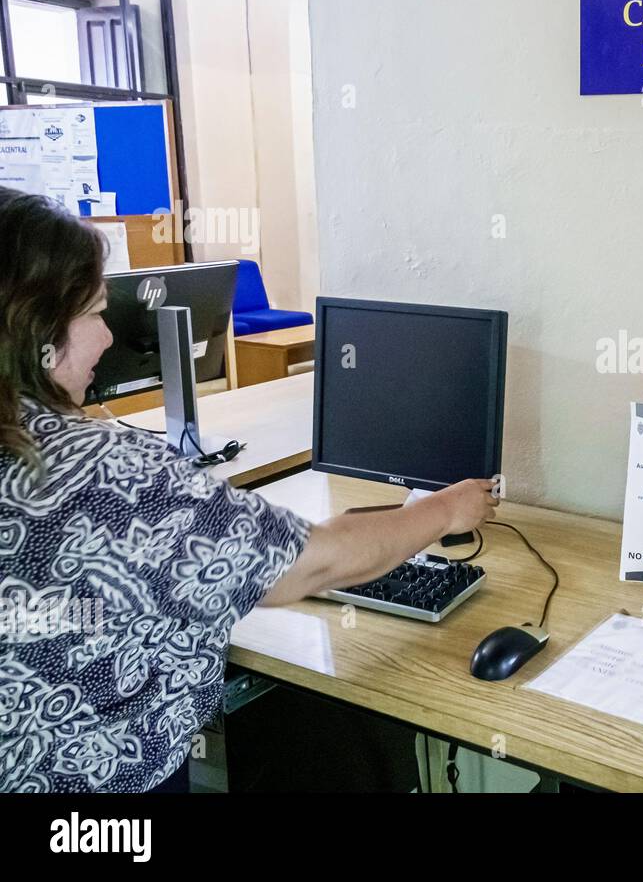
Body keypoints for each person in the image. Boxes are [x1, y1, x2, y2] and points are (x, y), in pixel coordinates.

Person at [0, 188, 498, 791]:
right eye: (96, 312)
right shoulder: (110, 475)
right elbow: (313, 564)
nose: (107, 339)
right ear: (35, 330)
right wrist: (445, 509)